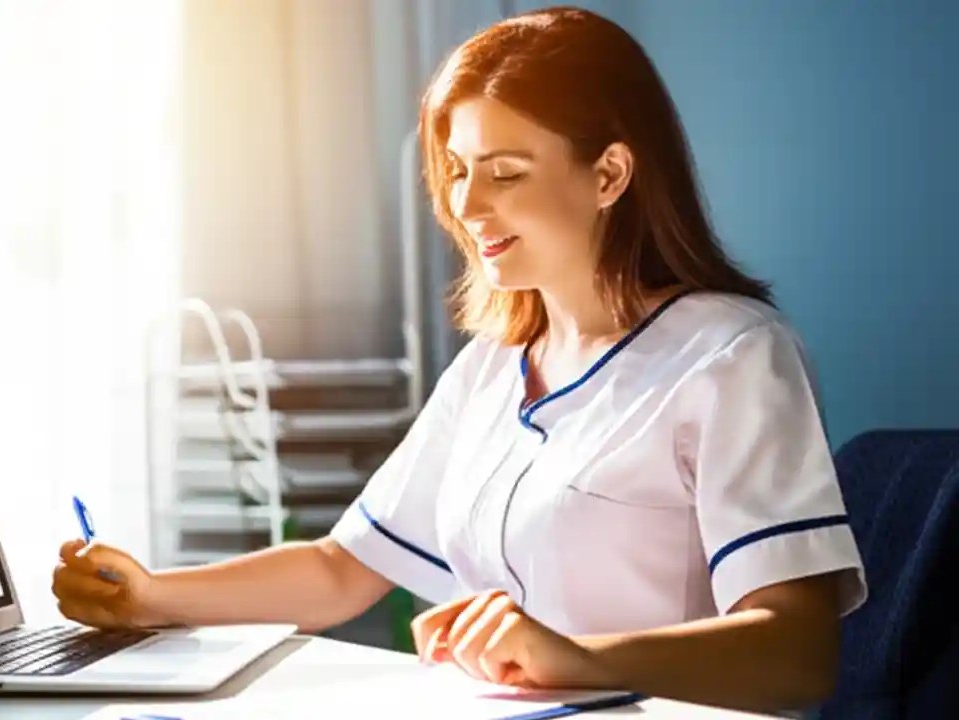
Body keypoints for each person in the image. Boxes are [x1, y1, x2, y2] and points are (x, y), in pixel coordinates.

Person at [52, 6, 865, 714]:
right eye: (458, 172)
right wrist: (152, 597)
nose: (468, 206)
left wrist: (579, 660)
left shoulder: (732, 356)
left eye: (506, 173)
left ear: (610, 173)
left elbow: (794, 654)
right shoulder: (494, 363)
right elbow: (343, 570)